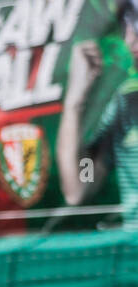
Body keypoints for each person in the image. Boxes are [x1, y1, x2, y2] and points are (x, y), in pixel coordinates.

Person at [57, 2, 138, 221]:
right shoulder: (126, 105)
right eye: (125, 25)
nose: (129, 38)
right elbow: (80, 185)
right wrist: (75, 102)